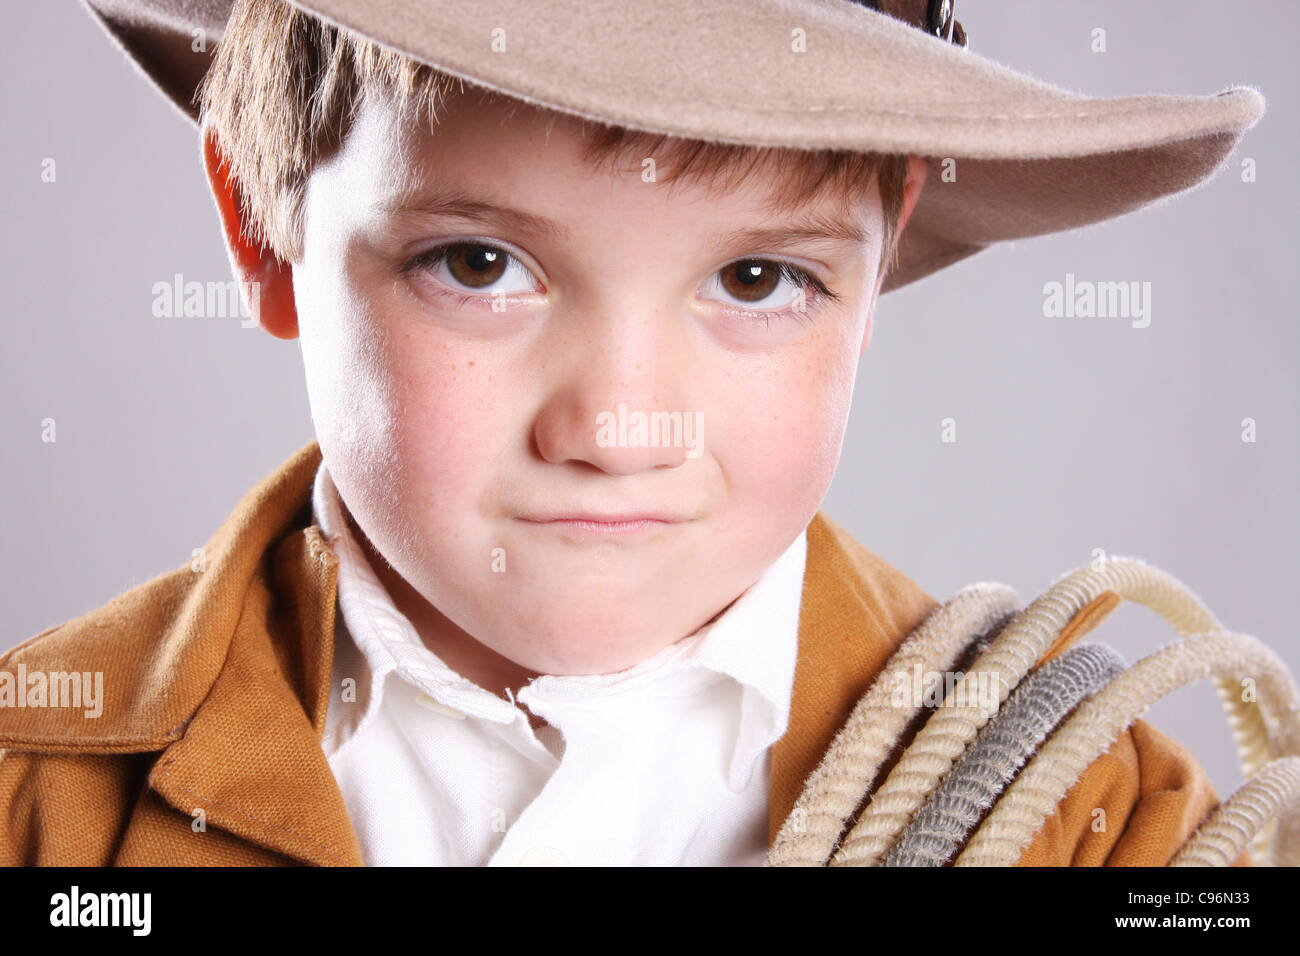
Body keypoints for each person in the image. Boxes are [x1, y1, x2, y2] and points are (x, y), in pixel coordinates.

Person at [0, 0, 1269, 865]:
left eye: (760, 280)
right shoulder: (35, 796)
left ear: (875, 265)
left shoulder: (1096, 819)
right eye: (478, 262)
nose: (619, 428)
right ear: (258, 223)